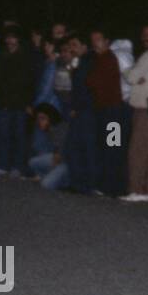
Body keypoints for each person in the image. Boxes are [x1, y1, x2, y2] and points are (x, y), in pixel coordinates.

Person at [120, 25, 148, 202]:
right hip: (147, 107)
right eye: (144, 34)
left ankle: (135, 189)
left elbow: (131, 76)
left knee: (137, 149)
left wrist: (128, 70)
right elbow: (137, 77)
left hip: (143, 107)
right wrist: (137, 75)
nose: (146, 37)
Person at [0, 29, 33, 177]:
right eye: (8, 38)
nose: (10, 41)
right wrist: (0, 98)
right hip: (5, 102)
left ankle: (17, 166)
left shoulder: (25, 57)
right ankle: (2, 165)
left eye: (13, 38)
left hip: (20, 103)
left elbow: (29, 82)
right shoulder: (2, 56)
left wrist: (27, 102)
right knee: (3, 134)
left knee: (19, 135)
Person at [87, 29, 125, 196]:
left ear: (107, 41)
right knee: (105, 147)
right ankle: (106, 185)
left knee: (113, 147)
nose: (95, 43)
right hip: (104, 110)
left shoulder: (109, 59)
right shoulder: (98, 59)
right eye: (93, 40)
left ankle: (114, 187)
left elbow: (94, 82)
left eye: (99, 39)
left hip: (113, 111)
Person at [63, 34, 98, 194]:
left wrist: (77, 107)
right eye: (70, 45)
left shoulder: (89, 62)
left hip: (89, 112)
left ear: (84, 46)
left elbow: (86, 90)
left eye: (75, 45)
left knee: (88, 148)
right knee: (74, 146)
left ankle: (88, 184)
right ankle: (77, 182)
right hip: (80, 111)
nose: (72, 48)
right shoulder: (80, 62)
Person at [27, 103, 69, 190]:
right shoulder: (49, 130)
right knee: (32, 162)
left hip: (67, 163)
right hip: (58, 159)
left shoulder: (60, 128)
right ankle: (52, 177)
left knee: (46, 185)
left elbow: (61, 154)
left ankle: (63, 182)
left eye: (43, 118)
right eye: (38, 119)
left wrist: (56, 159)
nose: (40, 122)